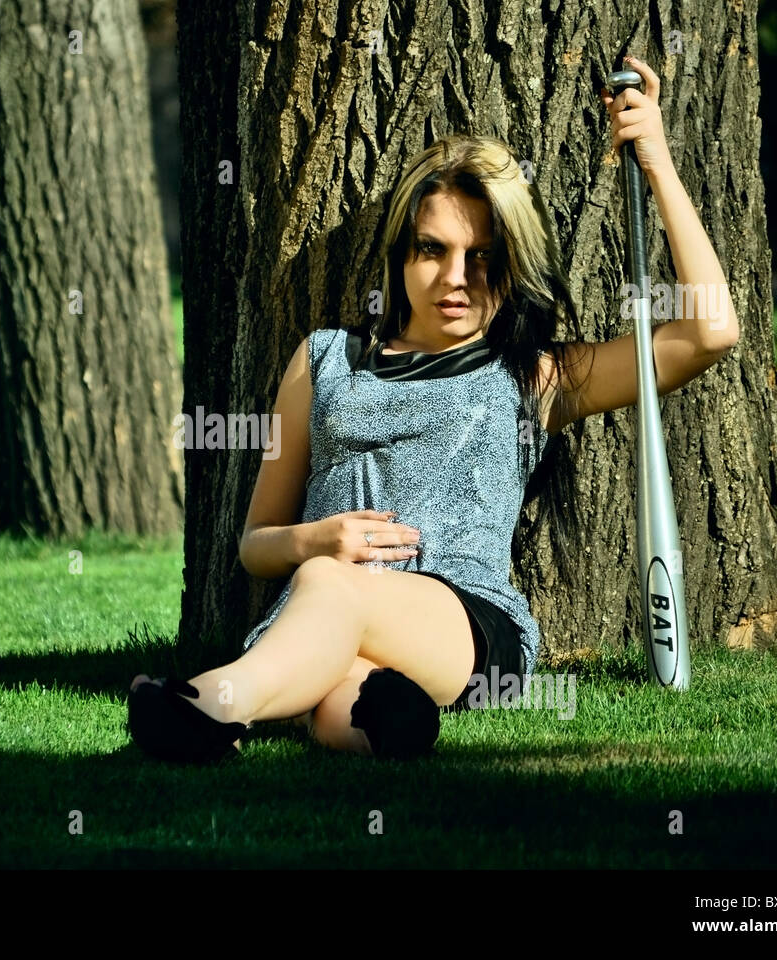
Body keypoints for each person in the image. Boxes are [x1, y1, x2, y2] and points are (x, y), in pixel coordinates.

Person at [128, 56, 739, 762]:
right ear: (400, 254)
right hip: (330, 625)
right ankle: (390, 725)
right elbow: (255, 543)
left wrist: (656, 161)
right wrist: (317, 540)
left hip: (468, 632)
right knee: (341, 698)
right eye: (432, 250)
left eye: (482, 256)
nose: (455, 278)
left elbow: (708, 334)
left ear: (511, 266)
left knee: (333, 589)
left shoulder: (535, 375)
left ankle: (207, 706)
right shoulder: (324, 360)